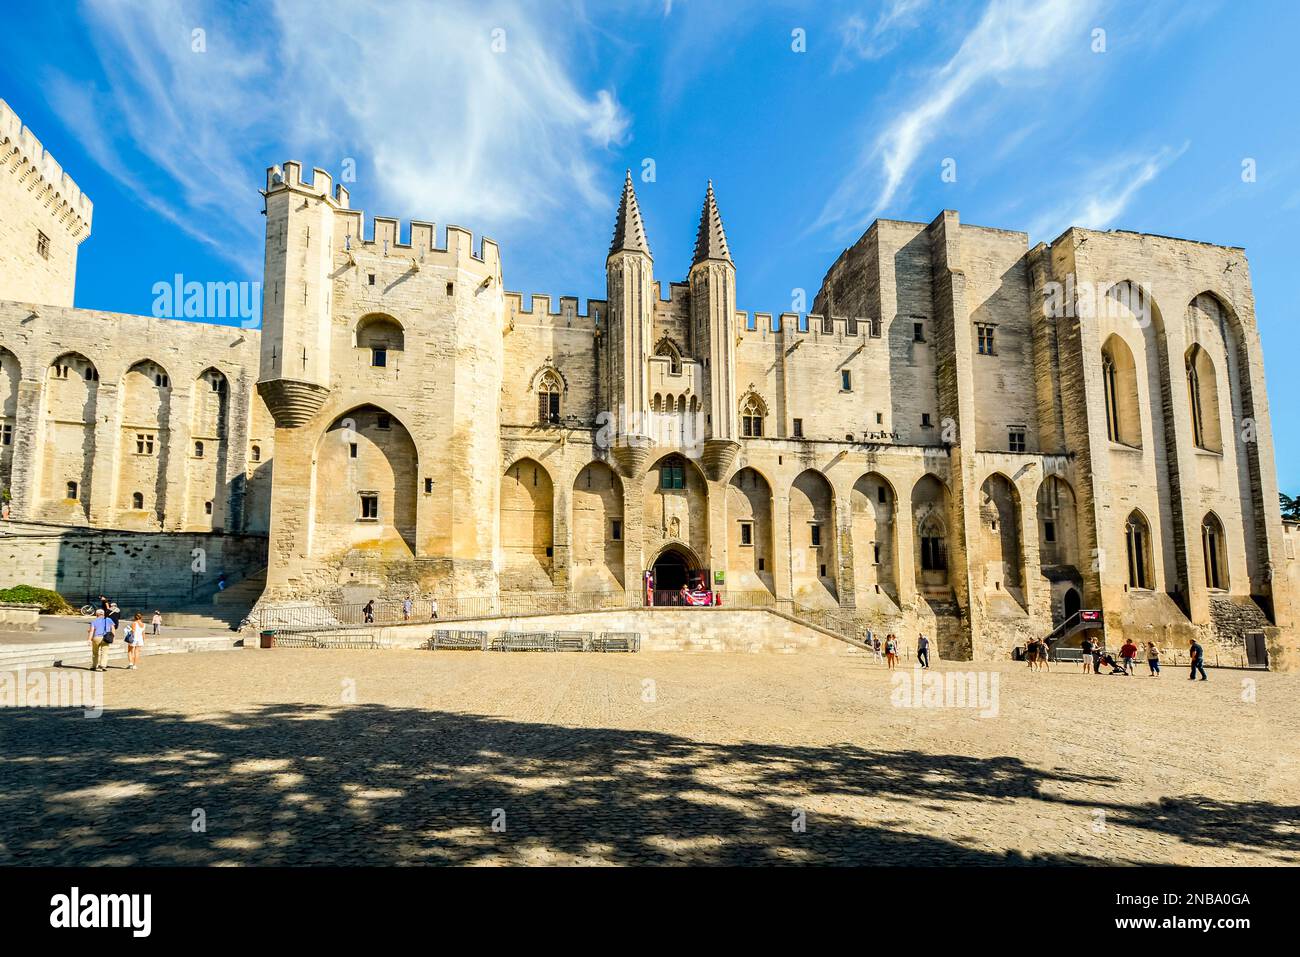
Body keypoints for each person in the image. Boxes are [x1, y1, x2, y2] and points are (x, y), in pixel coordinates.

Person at [87, 608, 115, 672]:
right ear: (103, 614)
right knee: (105, 652)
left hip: (96, 637)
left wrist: (89, 640)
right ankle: (103, 666)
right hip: (106, 637)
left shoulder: (94, 621)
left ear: (97, 614)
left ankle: (94, 666)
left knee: (95, 653)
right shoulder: (108, 619)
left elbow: (91, 631)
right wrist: (113, 637)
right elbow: (113, 628)